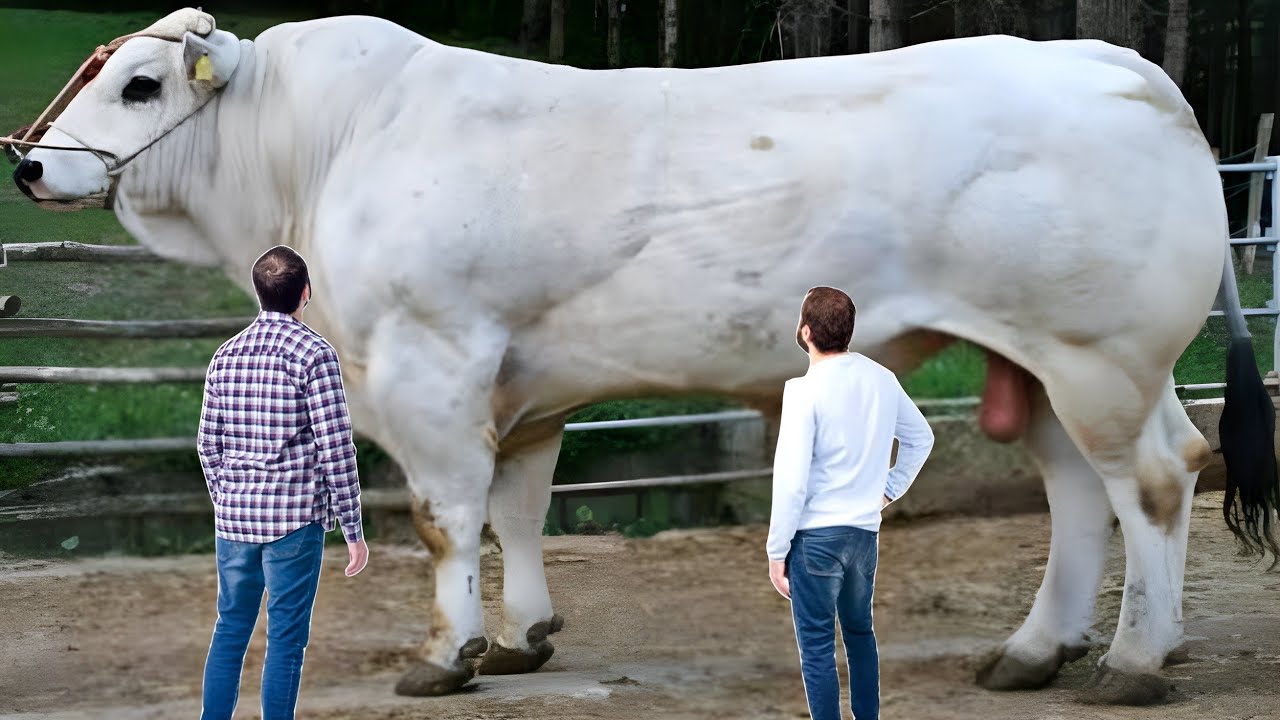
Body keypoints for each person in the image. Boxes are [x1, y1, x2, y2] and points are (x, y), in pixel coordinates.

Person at [196, 245, 368, 720]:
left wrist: (227, 498)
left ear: (258, 292)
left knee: (230, 627)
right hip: (294, 519)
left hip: (234, 521)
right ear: (305, 292)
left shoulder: (225, 355)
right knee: (286, 639)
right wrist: (353, 529)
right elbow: (336, 447)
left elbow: (208, 445)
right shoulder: (315, 354)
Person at [766, 286, 935, 720]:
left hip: (815, 540)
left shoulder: (803, 392)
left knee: (818, 646)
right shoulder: (881, 378)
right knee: (861, 634)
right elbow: (921, 437)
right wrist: (888, 491)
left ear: (805, 331)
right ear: (849, 330)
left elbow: (790, 481)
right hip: (864, 535)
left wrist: (776, 552)